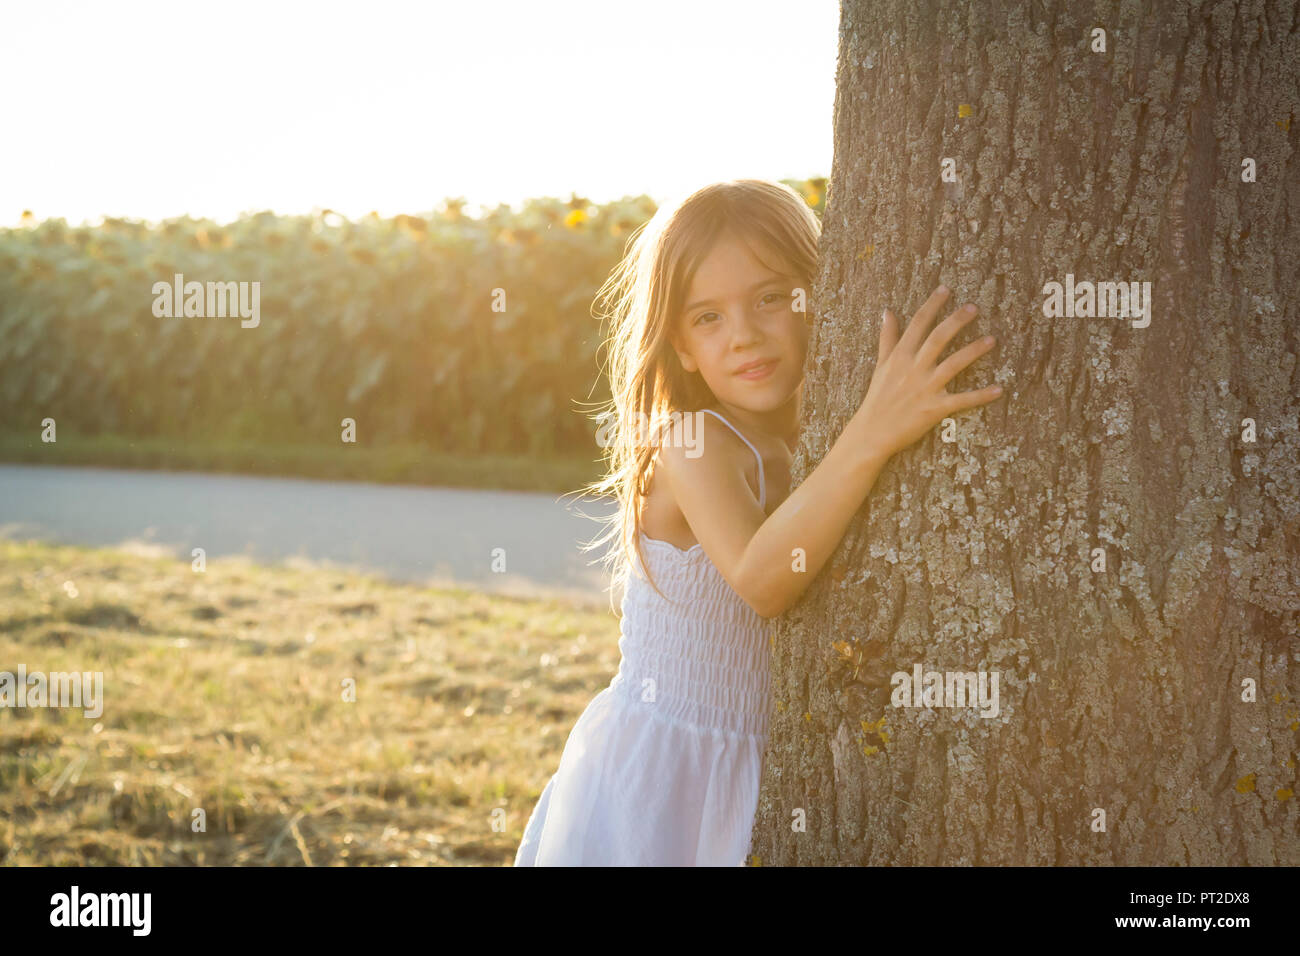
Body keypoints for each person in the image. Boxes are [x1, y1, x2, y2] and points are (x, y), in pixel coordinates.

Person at [514, 179, 1002, 866]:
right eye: (707, 317)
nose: (743, 334)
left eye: (772, 298)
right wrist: (874, 429)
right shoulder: (692, 441)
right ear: (679, 344)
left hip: (757, 767)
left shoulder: (807, 445)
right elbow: (761, 579)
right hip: (667, 776)